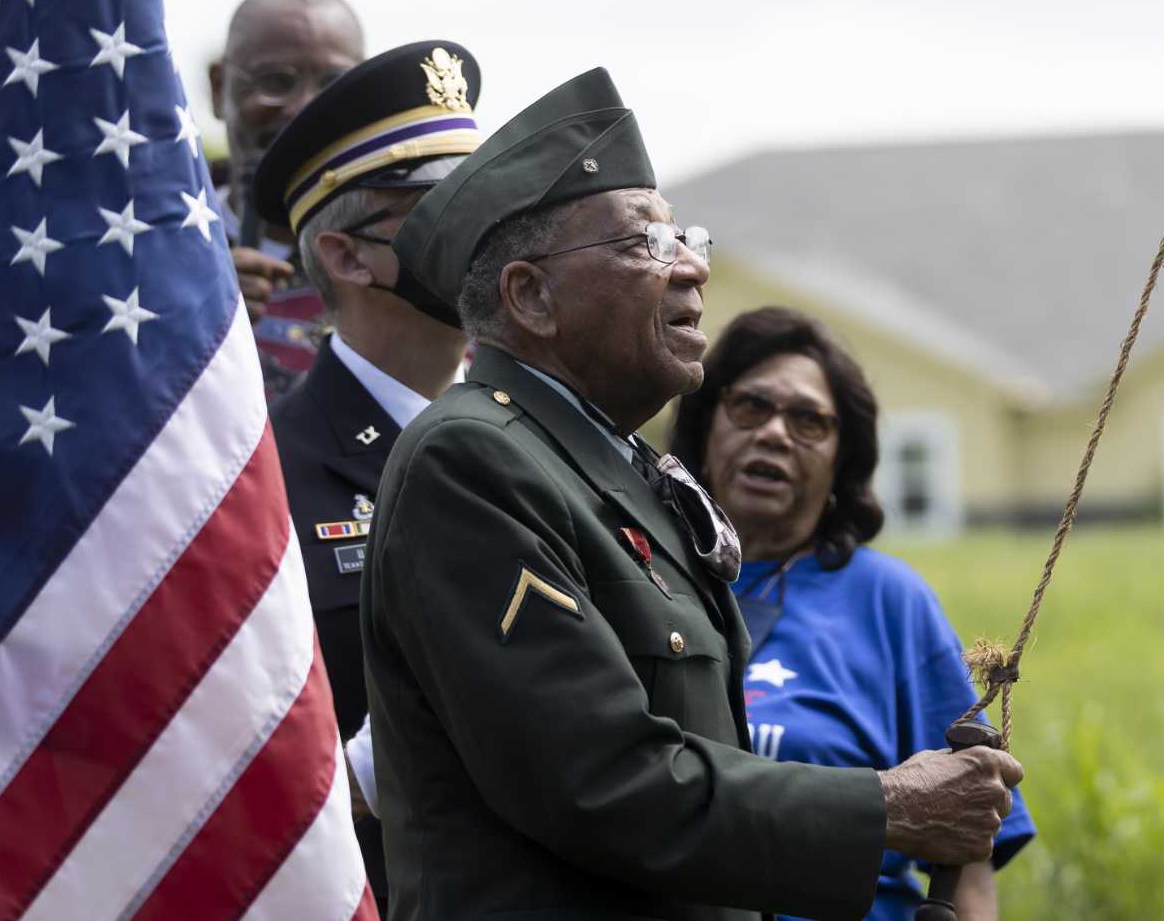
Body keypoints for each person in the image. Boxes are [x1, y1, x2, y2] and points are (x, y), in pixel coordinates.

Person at [365, 67, 1023, 921]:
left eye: (688, 240)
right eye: (646, 244)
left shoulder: (613, 467)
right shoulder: (473, 463)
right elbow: (603, 782)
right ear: (531, 296)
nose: (691, 271)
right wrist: (888, 807)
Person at [670, 306, 1035, 921]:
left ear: (842, 462)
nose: (775, 434)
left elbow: (968, 853)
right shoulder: (641, 571)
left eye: (809, 420)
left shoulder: (891, 602)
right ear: (705, 427)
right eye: (751, 407)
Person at [250, 38, 487, 911]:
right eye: (445, 205)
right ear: (350, 255)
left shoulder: (538, 435)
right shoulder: (265, 480)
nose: (488, 223)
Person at [209, 0, 367, 397]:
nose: (302, 108)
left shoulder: (393, 257)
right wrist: (193, 317)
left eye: (333, 84)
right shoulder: (158, 250)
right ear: (217, 86)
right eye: (276, 81)